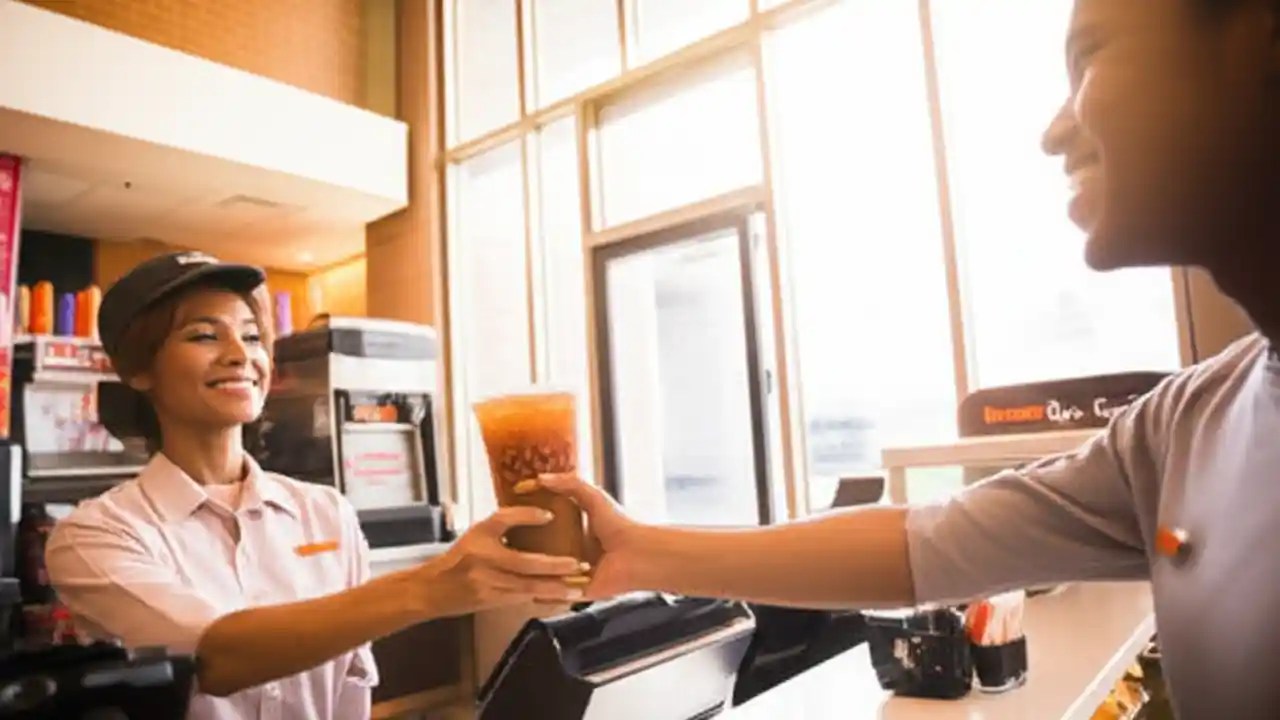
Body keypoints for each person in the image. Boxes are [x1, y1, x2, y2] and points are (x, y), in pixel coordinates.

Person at [532, 1, 1280, 718]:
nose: (1055, 132)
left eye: (1089, 56)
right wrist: (641, 553)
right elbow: (924, 544)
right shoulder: (1178, 430)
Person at [44, 252, 590, 719]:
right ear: (140, 370)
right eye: (204, 335)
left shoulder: (325, 512)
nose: (241, 354)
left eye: (253, 335)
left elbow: (349, 694)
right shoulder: (95, 536)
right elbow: (215, 657)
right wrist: (432, 587)